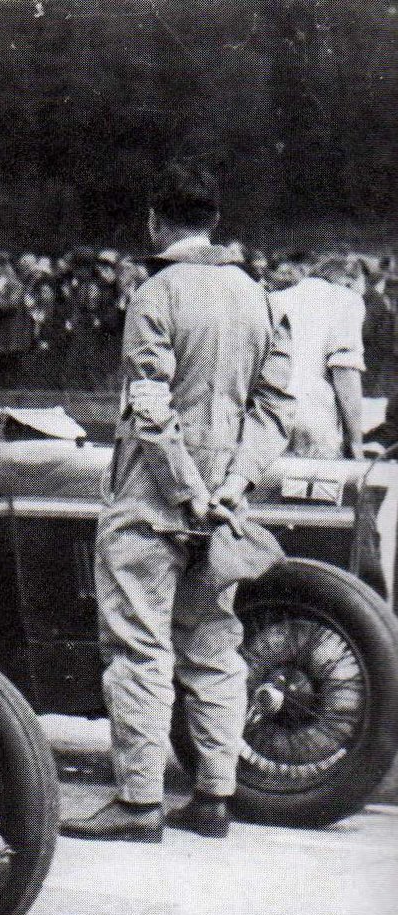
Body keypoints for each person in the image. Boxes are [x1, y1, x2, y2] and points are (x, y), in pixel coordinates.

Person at [63, 162, 293, 843]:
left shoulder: (156, 294)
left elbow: (151, 410)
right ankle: (214, 796)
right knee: (215, 644)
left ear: (155, 221)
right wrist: (231, 488)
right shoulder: (257, 297)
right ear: (215, 220)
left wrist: (187, 491)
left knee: (138, 647)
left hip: (153, 499)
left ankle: (138, 803)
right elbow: (275, 407)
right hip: (223, 504)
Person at [271, 254, 366, 459]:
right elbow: (345, 370)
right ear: (349, 282)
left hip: (268, 418)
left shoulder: (275, 299)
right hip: (316, 418)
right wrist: (356, 442)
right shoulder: (347, 300)